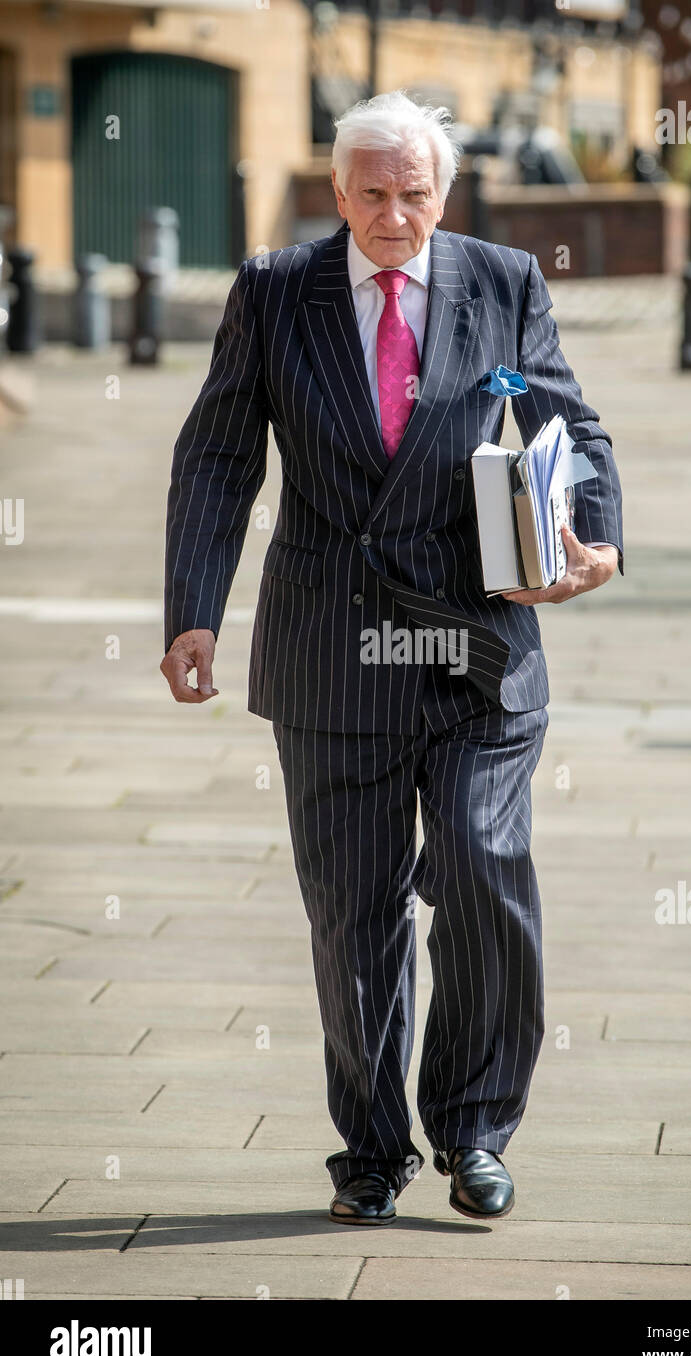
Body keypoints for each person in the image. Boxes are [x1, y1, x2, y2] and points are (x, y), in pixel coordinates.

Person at [161, 91, 623, 1226]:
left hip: (475, 645)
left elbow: (573, 428)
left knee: (479, 870)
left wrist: (593, 534)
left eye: (414, 192)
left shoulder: (504, 283)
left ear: (442, 191)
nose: (394, 214)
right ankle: (369, 1149)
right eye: (371, 193)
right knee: (353, 911)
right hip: (332, 648)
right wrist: (194, 610)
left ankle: (473, 1130)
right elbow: (219, 454)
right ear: (337, 193)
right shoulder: (275, 291)